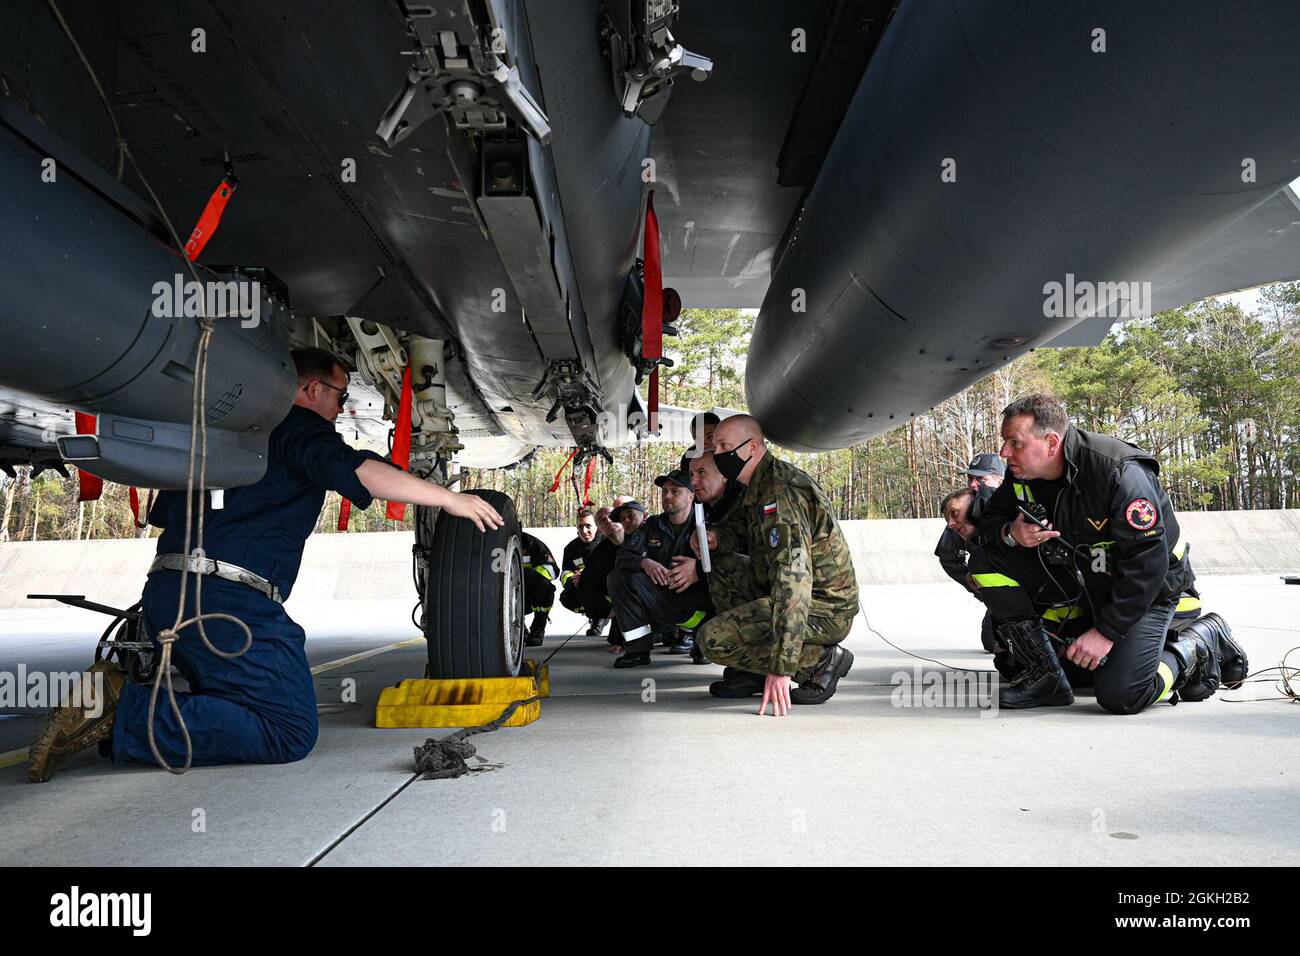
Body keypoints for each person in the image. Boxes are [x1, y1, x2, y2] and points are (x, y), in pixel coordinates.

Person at [27, 347, 504, 782]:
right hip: (231, 604)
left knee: (239, 703)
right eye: (339, 395)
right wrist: (447, 499)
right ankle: (120, 712)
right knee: (287, 730)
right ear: (312, 389)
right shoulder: (297, 427)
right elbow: (358, 470)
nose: (342, 407)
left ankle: (120, 719)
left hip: (167, 592)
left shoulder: (222, 429)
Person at [971, 393, 1247, 712]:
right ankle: (1045, 678)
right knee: (987, 563)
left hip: (1151, 594)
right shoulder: (1021, 476)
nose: (1005, 452)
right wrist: (1011, 533)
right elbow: (989, 522)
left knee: (1123, 694)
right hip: (1089, 586)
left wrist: (1105, 633)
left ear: (1050, 442)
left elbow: (1148, 563)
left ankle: (1196, 644)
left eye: (1015, 443)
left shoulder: (1116, 471)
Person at [695, 415, 859, 714]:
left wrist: (781, 666)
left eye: (724, 445)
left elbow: (793, 582)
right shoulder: (757, 485)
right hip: (785, 591)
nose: (716, 453)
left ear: (752, 447)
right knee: (721, 566)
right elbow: (739, 528)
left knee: (712, 640)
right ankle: (751, 671)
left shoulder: (782, 492)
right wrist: (717, 537)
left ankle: (818, 662)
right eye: (714, 445)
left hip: (823, 609)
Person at [606, 474, 713, 668]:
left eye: (675, 491)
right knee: (617, 577)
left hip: (702, 606)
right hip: (664, 602)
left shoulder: (708, 524)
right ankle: (637, 650)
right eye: (664, 491)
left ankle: (702, 641)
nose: (667, 496)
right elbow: (622, 556)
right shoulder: (652, 526)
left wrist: (697, 569)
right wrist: (644, 562)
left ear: (691, 495)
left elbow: (729, 565)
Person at [935, 453, 1003, 652]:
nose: (974, 484)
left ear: (1001, 480)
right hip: (996, 590)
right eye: (970, 478)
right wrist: (976, 585)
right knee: (992, 642)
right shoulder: (963, 511)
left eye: (981, 479)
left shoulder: (1015, 504)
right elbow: (947, 555)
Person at [559, 508, 607, 636]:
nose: (584, 531)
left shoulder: (607, 543)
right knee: (566, 598)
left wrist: (586, 576)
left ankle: (605, 616)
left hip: (606, 588)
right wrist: (572, 581)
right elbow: (565, 572)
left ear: (597, 526)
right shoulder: (571, 548)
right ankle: (594, 614)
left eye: (588, 526)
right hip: (582, 588)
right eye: (581, 526)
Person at [520, 531, 559, 646]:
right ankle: (519, 628)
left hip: (528, 595)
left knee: (546, 587)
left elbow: (552, 569)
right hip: (500, 595)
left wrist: (528, 575)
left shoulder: (531, 543)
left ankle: (538, 629)